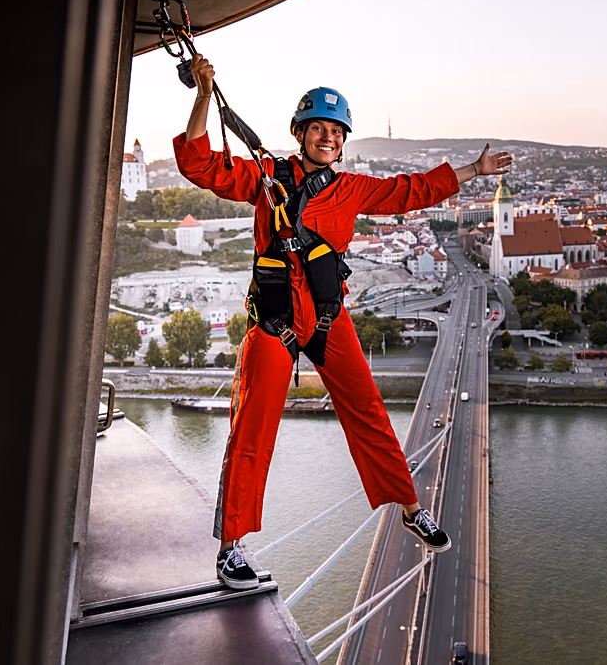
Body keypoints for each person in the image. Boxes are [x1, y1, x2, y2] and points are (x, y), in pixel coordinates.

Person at [174, 55, 512, 589]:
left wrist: (475, 170)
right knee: (252, 426)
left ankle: (407, 505)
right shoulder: (266, 180)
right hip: (276, 321)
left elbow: (411, 190)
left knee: (369, 413)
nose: (328, 138)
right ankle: (231, 546)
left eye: (336, 131)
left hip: (327, 320)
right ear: (300, 133)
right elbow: (198, 165)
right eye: (319, 129)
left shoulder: (351, 188)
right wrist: (202, 95)